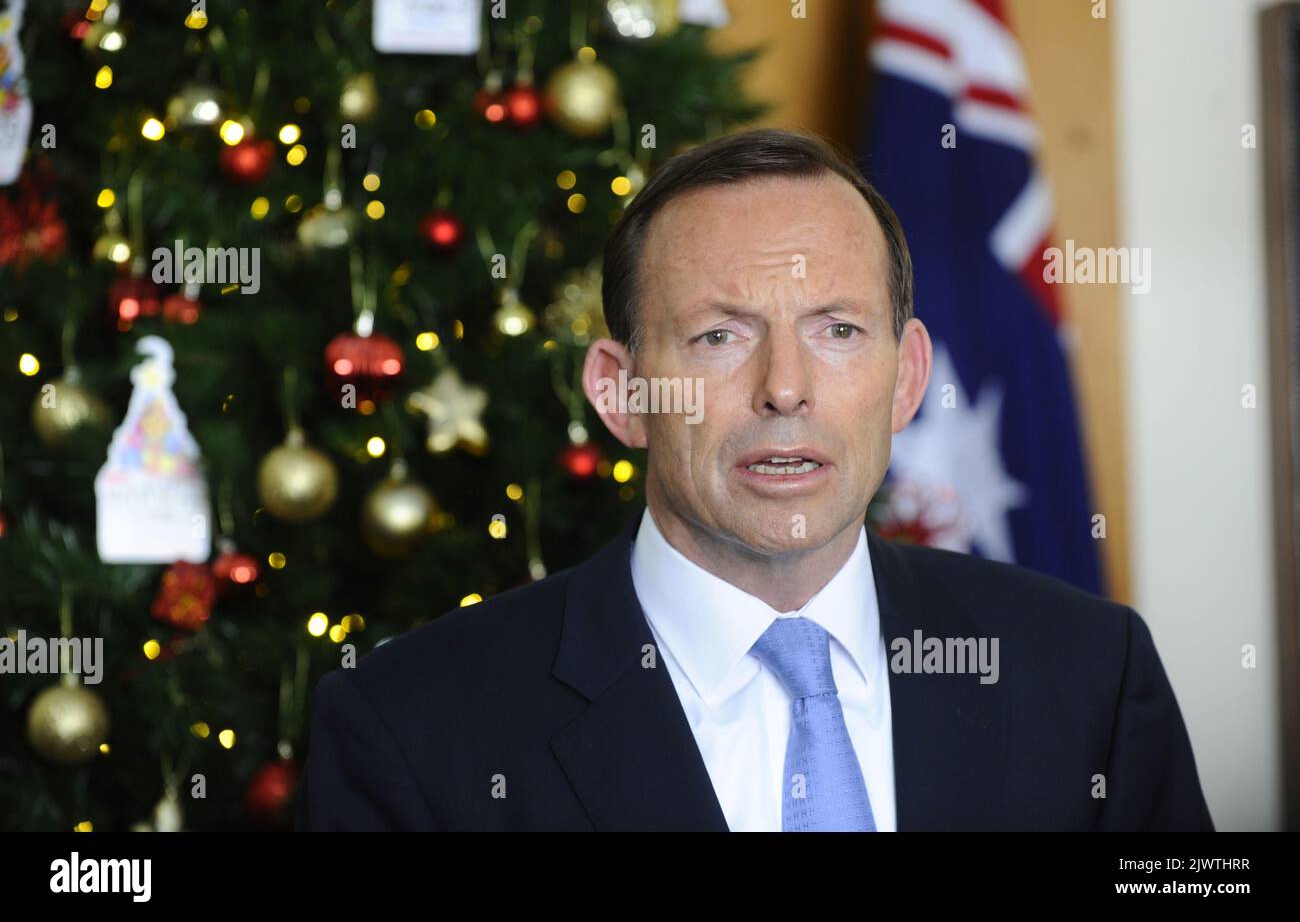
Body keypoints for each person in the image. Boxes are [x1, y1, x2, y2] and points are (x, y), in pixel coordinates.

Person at [296, 127, 1214, 831]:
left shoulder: (1090, 671)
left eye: (838, 330)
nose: (785, 388)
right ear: (620, 393)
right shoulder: (409, 728)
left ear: (906, 379)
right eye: (719, 336)